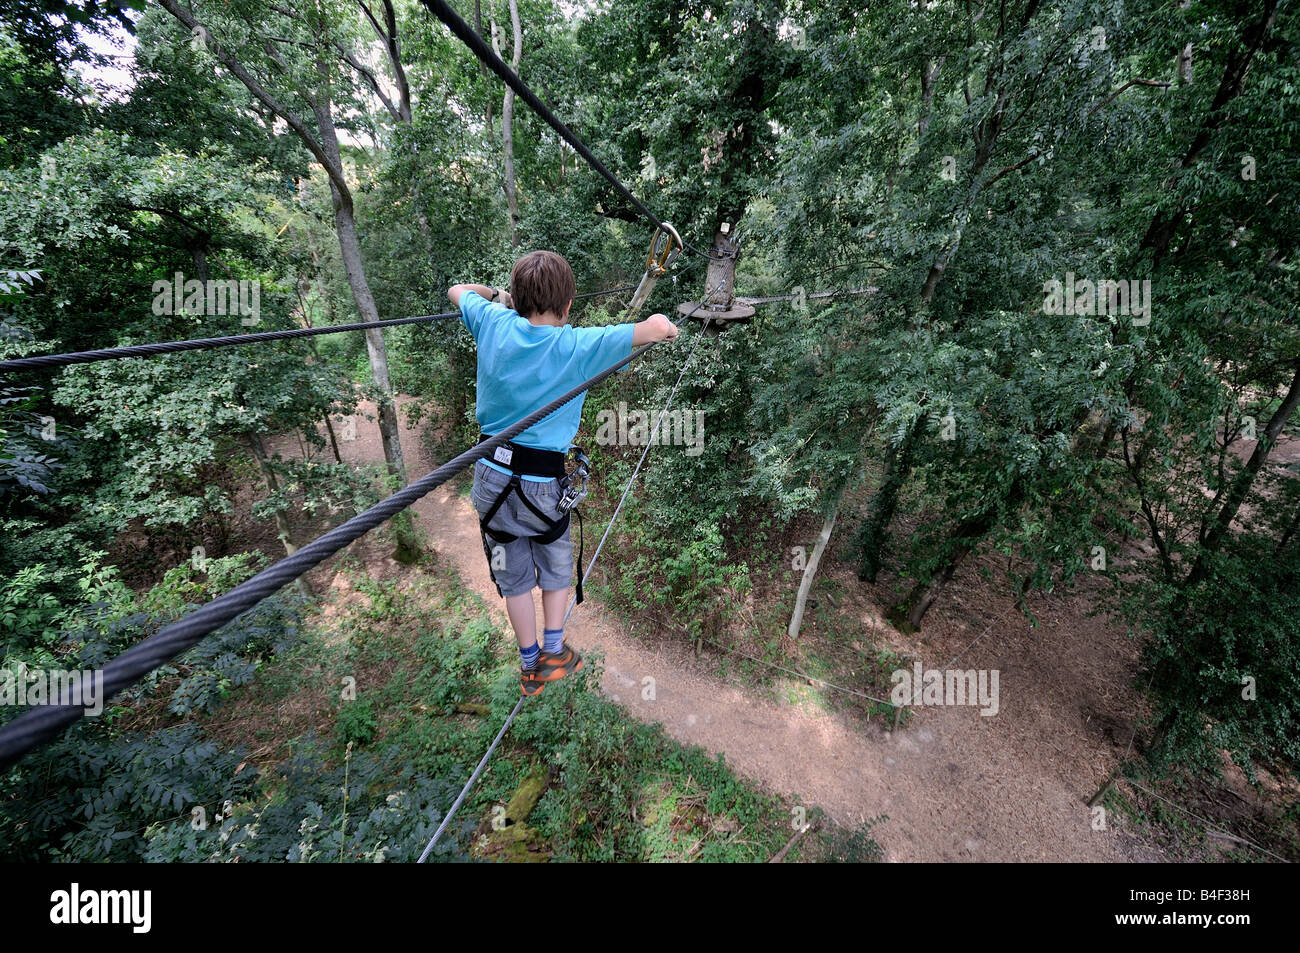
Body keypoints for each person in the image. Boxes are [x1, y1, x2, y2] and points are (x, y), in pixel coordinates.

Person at [448, 250, 679, 695]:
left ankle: (528, 662)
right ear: (569, 305)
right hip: (540, 486)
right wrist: (665, 322)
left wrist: (497, 297)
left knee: (512, 574)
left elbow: (458, 291)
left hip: (489, 478)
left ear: (516, 297)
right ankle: (553, 650)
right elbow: (656, 329)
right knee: (554, 557)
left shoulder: (492, 322)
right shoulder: (577, 345)